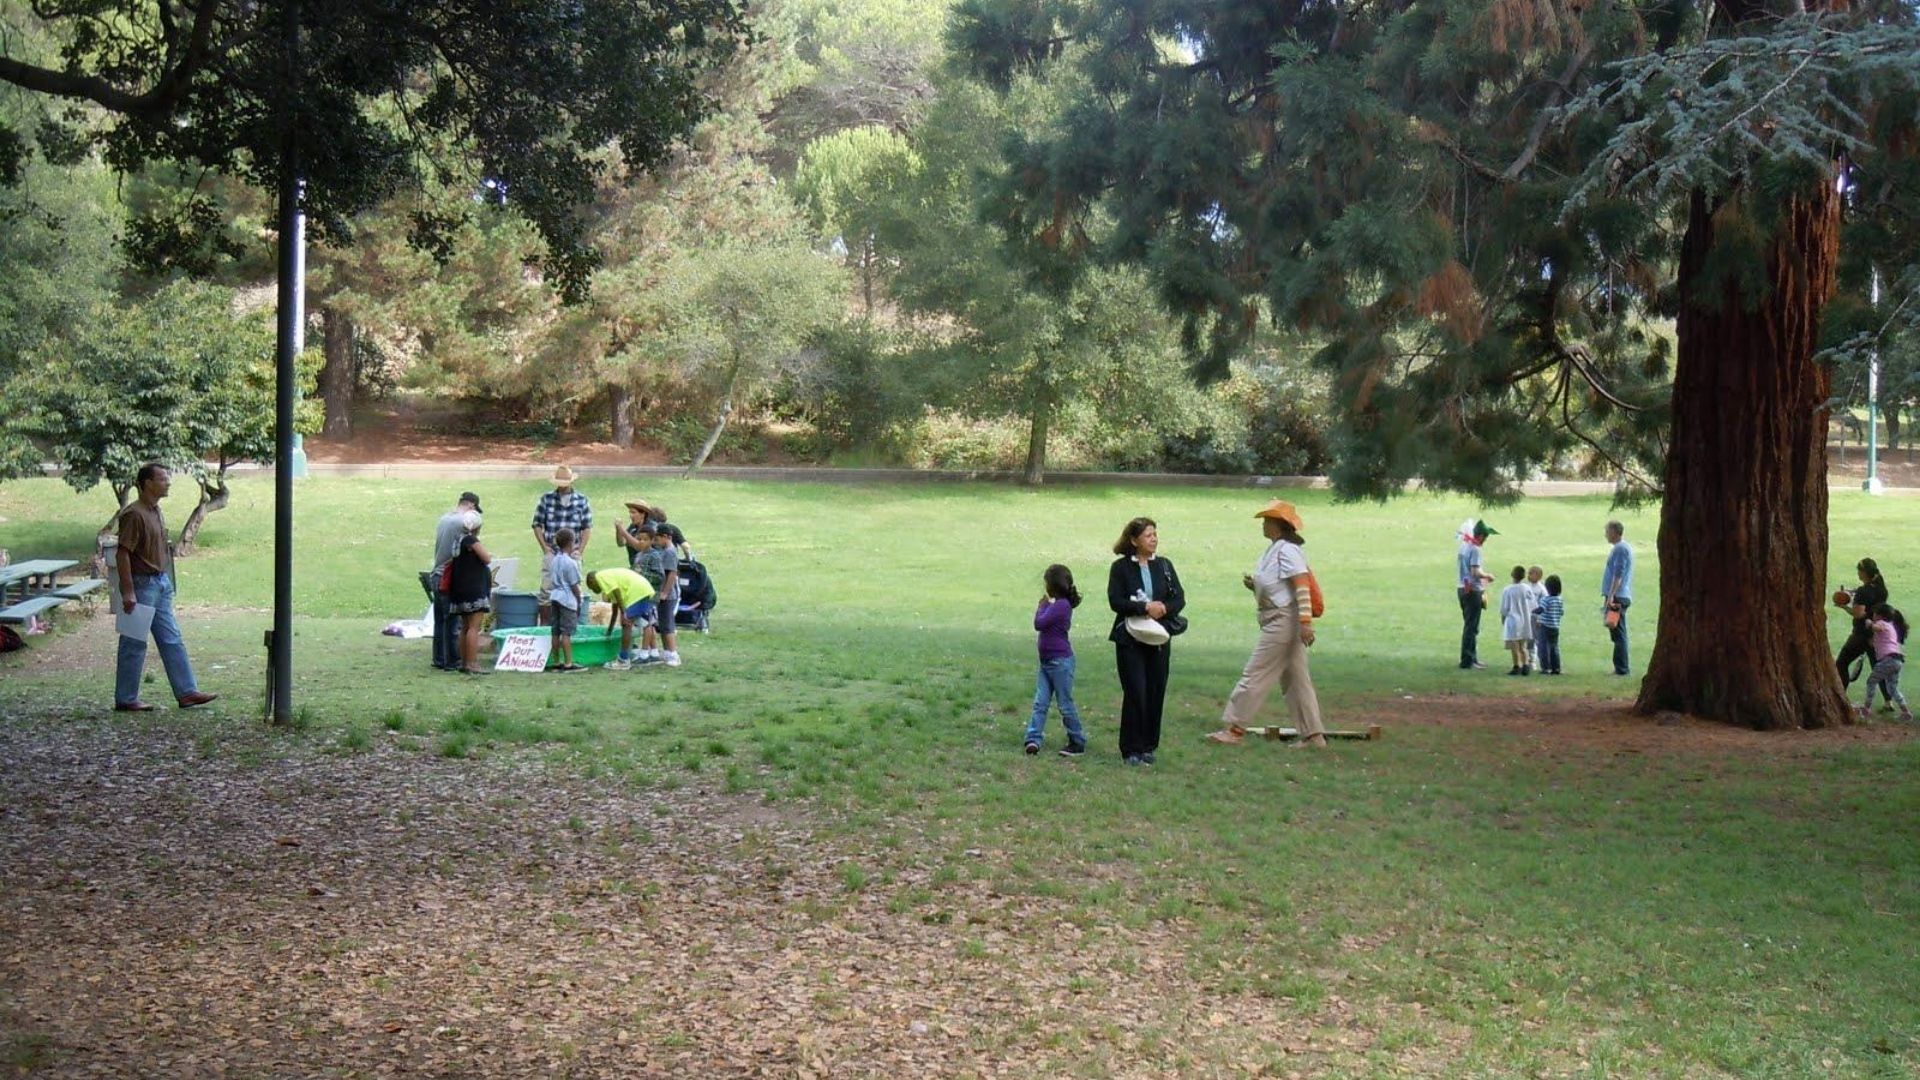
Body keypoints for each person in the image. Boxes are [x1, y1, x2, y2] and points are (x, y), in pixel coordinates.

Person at [1206, 500, 1325, 748]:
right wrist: (1255, 586)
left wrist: (1305, 623)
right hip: (1280, 618)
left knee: (1256, 673)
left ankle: (1235, 729)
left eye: (1267, 520)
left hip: (1283, 621)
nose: (1263, 524)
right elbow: (1278, 585)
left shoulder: (1287, 550)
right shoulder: (1274, 550)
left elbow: (1301, 585)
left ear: (1278, 525)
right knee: (1296, 679)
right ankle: (1314, 736)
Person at [113, 463, 217, 712]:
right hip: (141, 584)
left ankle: (187, 692)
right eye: (163, 478)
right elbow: (122, 554)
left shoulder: (155, 510)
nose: (168, 482)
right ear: (148, 483)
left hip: (160, 583)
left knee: (172, 639)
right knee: (133, 642)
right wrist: (128, 591)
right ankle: (126, 698)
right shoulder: (134, 514)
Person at [1107, 516, 1185, 766]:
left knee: (1155, 690)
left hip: (1159, 637)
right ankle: (1131, 748)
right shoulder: (1120, 568)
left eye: (1155, 534)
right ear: (1134, 540)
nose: (1154, 539)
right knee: (1135, 692)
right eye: (1148, 535)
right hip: (1130, 638)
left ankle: (1149, 745)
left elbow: (1179, 598)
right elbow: (1116, 602)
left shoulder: (1164, 565)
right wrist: (1143, 607)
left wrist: (1163, 607)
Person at [1025, 564, 1088, 757]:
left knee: (1064, 703)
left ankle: (1077, 740)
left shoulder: (1061, 606)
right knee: (1040, 702)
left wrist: (1041, 606)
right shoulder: (1058, 605)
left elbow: (1039, 623)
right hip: (1047, 662)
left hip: (1060, 662)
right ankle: (1033, 738)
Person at [425, 491, 482, 671]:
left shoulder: (444, 518)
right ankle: (453, 660)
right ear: (471, 506)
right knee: (453, 622)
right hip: (449, 576)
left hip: (436, 573)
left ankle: (439, 659)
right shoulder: (463, 524)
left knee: (440, 621)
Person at [532, 465, 592, 626]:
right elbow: (537, 524)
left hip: (572, 551)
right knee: (546, 591)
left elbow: (587, 527)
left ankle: (571, 625)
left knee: (573, 588)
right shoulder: (546, 499)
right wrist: (544, 547)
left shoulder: (581, 500)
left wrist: (580, 549)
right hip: (553, 550)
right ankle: (545, 625)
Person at [446, 511, 493, 674]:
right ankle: (472, 663)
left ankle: (464, 661)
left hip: (459, 589)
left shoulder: (457, 540)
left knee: (465, 627)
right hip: (473, 588)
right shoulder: (471, 540)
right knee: (474, 627)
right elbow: (487, 558)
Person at [585, 567, 655, 671]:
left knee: (626, 624)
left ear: (592, 581)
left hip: (637, 592)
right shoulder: (607, 579)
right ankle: (651, 654)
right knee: (644, 623)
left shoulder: (600, 577)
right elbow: (614, 608)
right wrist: (609, 630)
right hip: (643, 589)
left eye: (592, 587)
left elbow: (617, 591)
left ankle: (623, 660)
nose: (594, 591)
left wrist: (624, 612)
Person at [1834, 558, 1889, 687]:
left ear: (1863, 573)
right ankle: (1888, 701)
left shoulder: (1863, 592)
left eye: (1859, 571)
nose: (1858, 574)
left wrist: (1844, 607)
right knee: (1877, 667)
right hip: (1876, 633)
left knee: (1841, 663)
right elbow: (1865, 594)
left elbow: (1858, 614)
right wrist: (1851, 592)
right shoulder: (1881, 589)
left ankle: (1842, 697)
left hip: (1861, 634)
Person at [637, 525, 683, 667]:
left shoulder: (670, 552)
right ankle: (667, 652)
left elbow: (672, 574)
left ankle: (673, 653)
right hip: (659, 594)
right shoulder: (662, 551)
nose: (656, 542)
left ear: (666, 537)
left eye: (658, 539)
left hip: (668, 595)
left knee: (668, 625)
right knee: (662, 625)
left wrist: (664, 592)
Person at [1456, 519, 1497, 669]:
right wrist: (1488, 576)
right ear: (1480, 536)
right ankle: (1467, 660)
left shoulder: (1464, 546)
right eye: (1485, 537)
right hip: (1473, 590)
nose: (1485, 540)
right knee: (1471, 626)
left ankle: (1472, 657)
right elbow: (1475, 571)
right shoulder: (1475, 549)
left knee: (1470, 625)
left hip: (1462, 588)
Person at [1860, 603, 1911, 721]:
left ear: (1879, 615)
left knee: (1871, 681)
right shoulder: (1891, 626)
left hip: (1887, 660)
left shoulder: (1881, 623)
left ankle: (1866, 709)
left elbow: (1879, 628)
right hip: (1897, 660)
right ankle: (1906, 712)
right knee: (1892, 688)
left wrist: (1870, 624)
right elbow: (1879, 641)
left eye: (1874, 613)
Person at [548, 527, 587, 673]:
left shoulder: (554, 560)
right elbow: (574, 585)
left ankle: (556, 661)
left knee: (555, 631)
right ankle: (569, 663)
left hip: (555, 596)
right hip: (567, 599)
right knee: (566, 632)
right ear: (571, 543)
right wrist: (578, 601)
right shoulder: (570, 563)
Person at [1602, 521, 1634, 676]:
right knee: (1617, 632)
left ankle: (1622, 669)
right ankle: (1620, 667)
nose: (1606, 534)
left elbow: (1618, 574)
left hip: (1618, 596)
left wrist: (1611, 595)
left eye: (1607, 531)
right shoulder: (1622, 548)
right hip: (1620, 595)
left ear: (1615, 532)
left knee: (1619, 633)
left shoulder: (1620, 549)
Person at [1499, 566, 1534, 676]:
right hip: (1525, 620)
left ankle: (1516, 666)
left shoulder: (1508, 590)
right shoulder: (1527, 588)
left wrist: (1503, 619)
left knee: (1514, 646)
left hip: (1513, 620)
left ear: (1512, 575)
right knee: (1523, 646)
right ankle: (1526, 665)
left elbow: (1504, 609)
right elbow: (1532, 604)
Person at [1536, 575, 1565, 675]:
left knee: (1543, 647)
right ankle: (1556, 668)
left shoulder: (1546, 599)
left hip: (1545, 626)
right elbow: (1561, 612)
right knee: (1554, 647)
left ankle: (1545, 667)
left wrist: (1533, 611)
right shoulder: (1559, 599)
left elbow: (1541, 610)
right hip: (1555, 627)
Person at [1525, 565, 1547, 670]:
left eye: (1531, 573)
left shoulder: (1541, 589)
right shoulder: (1526, 587)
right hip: (1528, 617)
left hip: (1536, 617)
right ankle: (1530, 659)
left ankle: (1542, 660)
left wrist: (1540, 617)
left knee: (1538, 639)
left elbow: (1544, 605)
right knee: (1530, 639)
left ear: (1538, 576)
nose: (1528, 575)